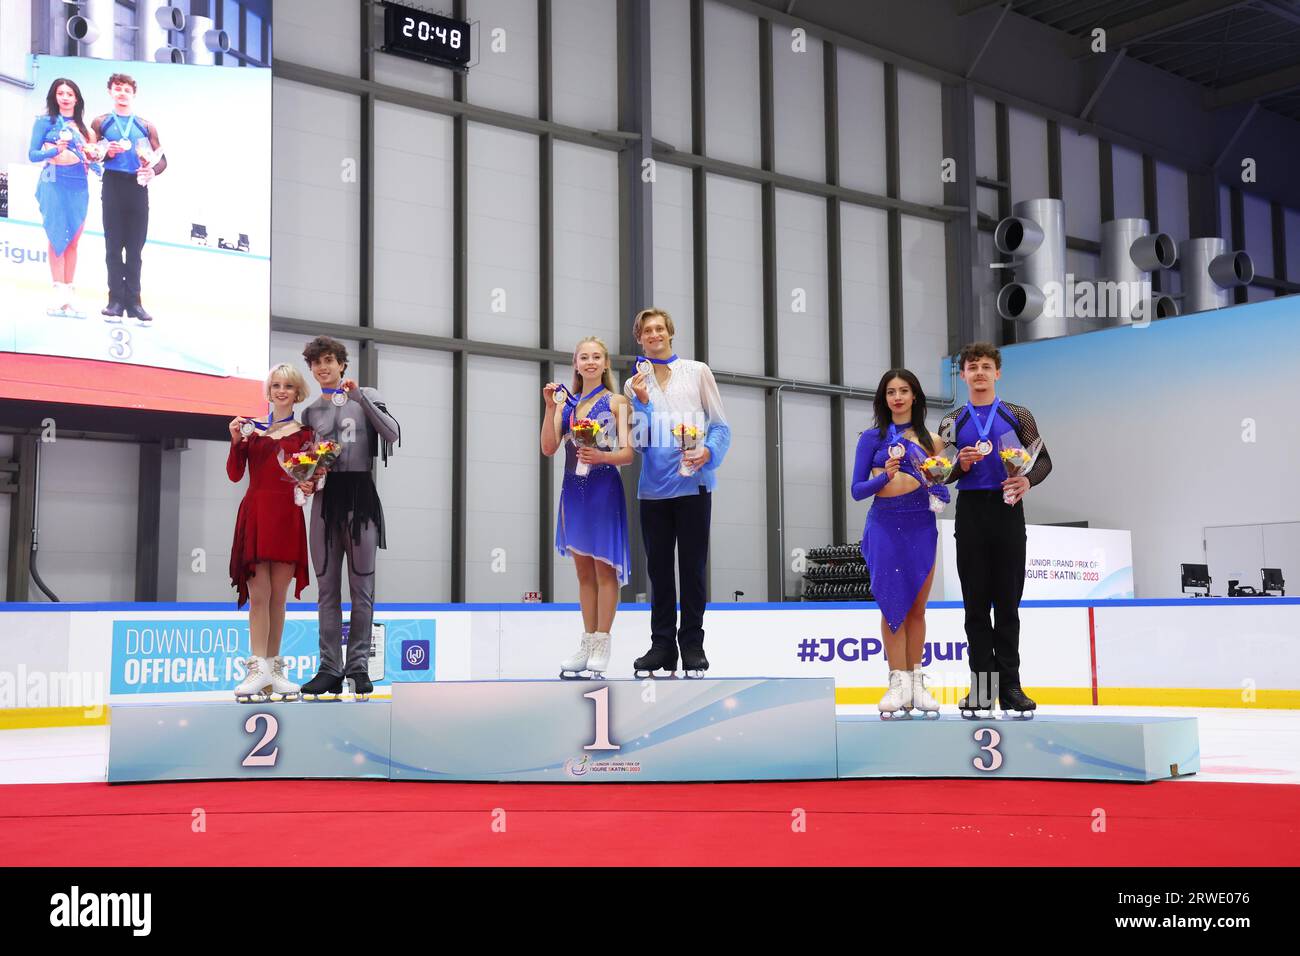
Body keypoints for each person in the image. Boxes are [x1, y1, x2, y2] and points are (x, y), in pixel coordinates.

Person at [938, 342, 1053, 719]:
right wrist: (961, 468)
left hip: (1007, 510)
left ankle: (1011, 687)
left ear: (998, 372)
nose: (980, 372)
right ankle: (983, 689)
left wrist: (1027, 483)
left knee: (1007, 604)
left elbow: (1044, 460)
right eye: (973, 367)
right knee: (974, 606)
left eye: (986, 366)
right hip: (970, 512)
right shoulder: (951, 420)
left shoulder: (1018, 414)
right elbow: (941, 473)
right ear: (964, 375)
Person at [623, 308, 731, 678]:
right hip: (653, 491)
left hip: (694, 486)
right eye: (646, 331)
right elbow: (639, 442)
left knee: (693, 569)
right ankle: (662, 644)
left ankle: (692, 643)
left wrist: (708, 452)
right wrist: (640, 401)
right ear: (639, 338)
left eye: (659, 329)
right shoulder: (633, 382)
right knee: (659, 572)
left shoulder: (698, 371)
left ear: (671, 332)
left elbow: (720, 426)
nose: (654, 335)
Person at [298, 336, 401, 701]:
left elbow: (393, 433)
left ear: (342, 364)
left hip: (361, 499)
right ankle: (329, 669)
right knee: (326, 591)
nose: (323, 367)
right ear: (311, 369)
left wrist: (360, 399)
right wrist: (308, 479)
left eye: (329, 360)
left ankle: (357, 666)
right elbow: (307, 459)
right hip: (326, 502)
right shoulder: (310, 413)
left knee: (362, 590)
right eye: (316, 362)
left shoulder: (366, 394)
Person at [851, 369, 949, 718]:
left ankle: (916, 684)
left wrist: (932, 481)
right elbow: (856, 491)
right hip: (884, 524)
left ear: (915, 396)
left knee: (917, 609)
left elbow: (942, 493)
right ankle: (897, 685)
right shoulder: (871, 438)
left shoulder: (933, 442)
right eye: (891, 391)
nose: (897, 397)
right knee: (892, 607)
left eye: (904, 390)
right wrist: (885, 477)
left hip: (921, 525)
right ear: (884, 398)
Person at [542, 337, 633, 678]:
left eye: (597, 356)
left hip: (603, 487)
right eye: (584, 357)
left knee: (604, 569)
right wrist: (550, 407)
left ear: (606, 363)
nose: (591, 361)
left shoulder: (617, 402)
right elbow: (549, 448)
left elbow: (628, 452)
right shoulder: (566, 404)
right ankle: (586, 642)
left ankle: (602, 643)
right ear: (576, 364)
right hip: (573, 490)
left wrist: (602, 456)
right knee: (582, 571)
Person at [227, 364, 317, 703]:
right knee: (259, 595)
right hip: (256, 514)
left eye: (288, 386)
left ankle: (274, 671)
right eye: (276, 385)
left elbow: (312, 478)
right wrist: (236, 440)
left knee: (279, 597)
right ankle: (257, 668)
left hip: (287, 517)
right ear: (269, 390)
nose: (281, 390)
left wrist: (311, 483)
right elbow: (236, 474)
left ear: (297, 392)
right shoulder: (252, 430)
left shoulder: (306, 434)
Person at [90, 73, 167, 326]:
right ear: (110, 92)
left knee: (135, 249)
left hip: (137, 186)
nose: (122, 93)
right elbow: (92, 154)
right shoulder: (100, 122)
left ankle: (134, 303)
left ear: (133, 94)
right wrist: (105, 154)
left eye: (126, 89)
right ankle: (115, 301)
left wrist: (151, 171)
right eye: (117, 88)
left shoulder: (146, 126)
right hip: (112, 184)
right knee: (113, 247)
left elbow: (163, 160)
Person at [28, 78, 99, 319]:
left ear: (77, 98)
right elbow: (33, 154)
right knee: (56, 235)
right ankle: (58, 292)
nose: (66, 97)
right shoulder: (43, 123)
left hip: (78, 184)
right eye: (61, 93)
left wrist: (95, 158)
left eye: (70, 93)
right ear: (54, 97)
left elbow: (92, 159)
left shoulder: (86, 130)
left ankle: (69, 294)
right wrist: (54, 150)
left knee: (74, 240)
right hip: (53, 181)